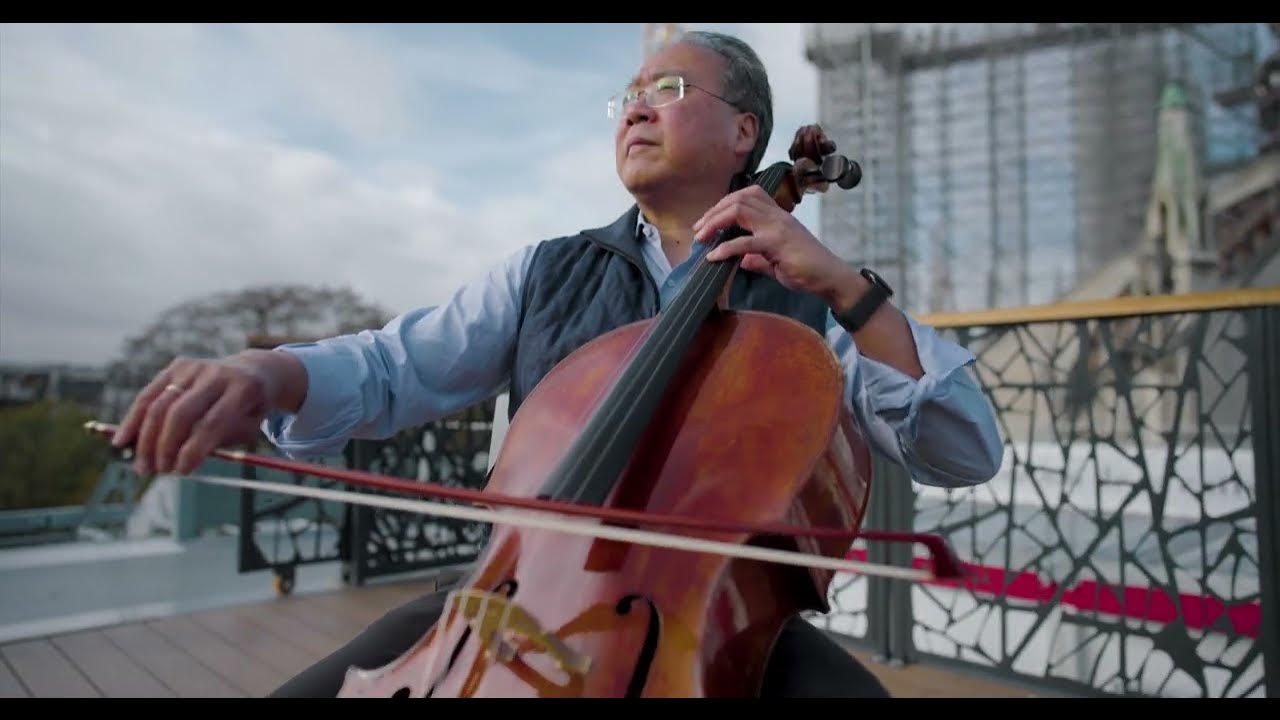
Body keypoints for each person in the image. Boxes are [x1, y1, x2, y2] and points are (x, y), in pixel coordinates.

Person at [112, 30, 1003, 697]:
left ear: (744, 131)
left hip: (726, 630)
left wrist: (849, 289)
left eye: (668, 86)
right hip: (504, 604)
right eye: (626, 98)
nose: (636, 109)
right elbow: (392, 367)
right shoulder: (546, 271)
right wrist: (270, 375)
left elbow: (962, 450)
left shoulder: (814, 299)